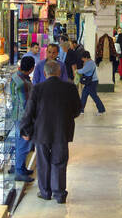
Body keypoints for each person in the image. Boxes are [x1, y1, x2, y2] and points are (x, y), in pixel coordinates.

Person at [19, 59, 81, 203]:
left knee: (43, 163)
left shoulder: (38, 88)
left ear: (45, 73)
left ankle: (45, 192)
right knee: (59, 162)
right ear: (59, 72)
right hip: (62, 131)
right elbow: (77, 110)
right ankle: (59, 194)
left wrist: (25, 130)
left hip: (42, 131)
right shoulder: (70, 88)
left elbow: (29, 112)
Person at [8, 56, 36, 182]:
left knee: (20, 142)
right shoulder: (23, 83)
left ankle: (20, 167)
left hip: (16, 114)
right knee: (23, 144)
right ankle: (19, 171)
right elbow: (26, 104)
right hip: (23, 117)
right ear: (31, 69)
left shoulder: (16, 77)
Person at [76, 50, 106, 115]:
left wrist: (76, 71)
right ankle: (81, 110)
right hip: (90, 82)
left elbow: (83, 71)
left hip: (92, 82)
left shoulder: (90, 63)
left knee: (94, 96)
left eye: (82, 58)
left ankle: (101, 110)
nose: (82, 59)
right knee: (84, 95)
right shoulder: (88, 62)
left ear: (86, 57)